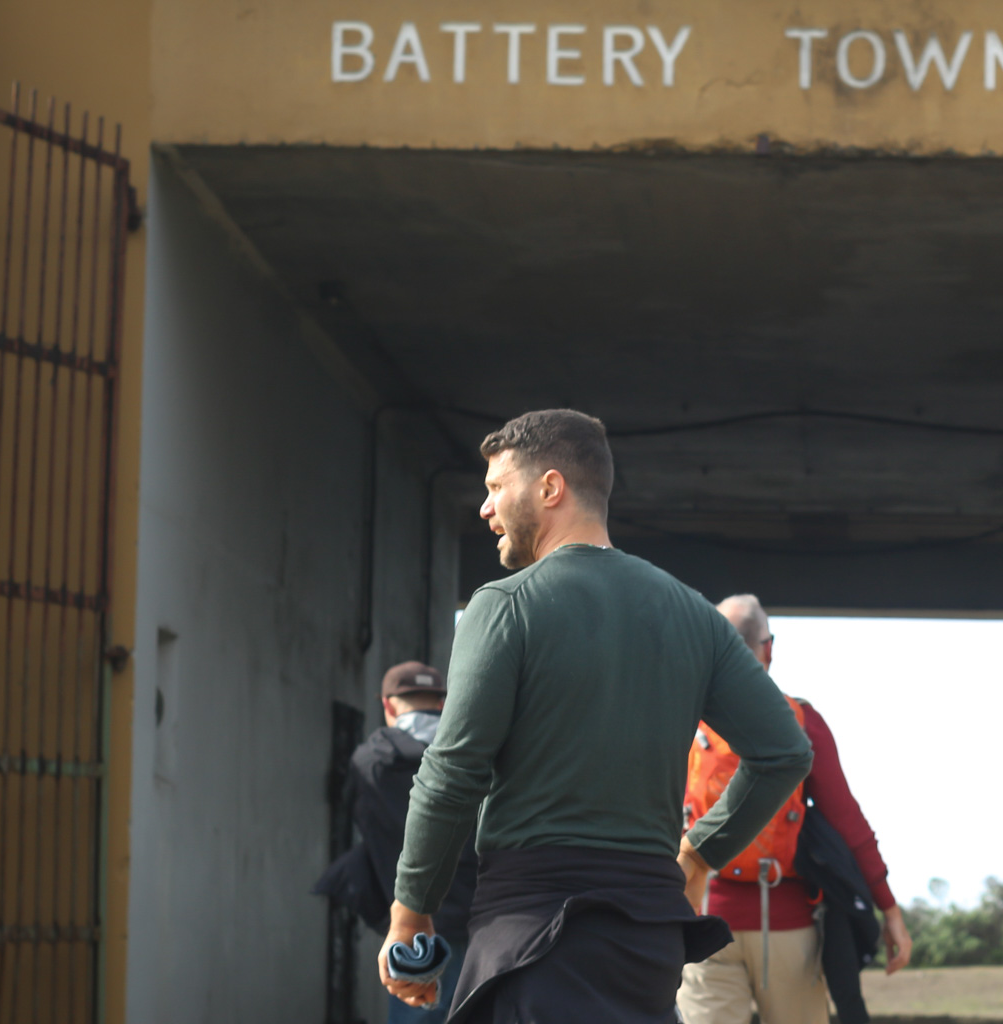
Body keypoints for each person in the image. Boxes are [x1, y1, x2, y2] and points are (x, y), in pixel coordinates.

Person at [379, 409, 814, 1023]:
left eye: (496, 487)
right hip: (650, 939)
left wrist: (410, 911)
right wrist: (698, 855)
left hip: (535, 935)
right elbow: (784, 752)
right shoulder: (694, 616)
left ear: (550, 488)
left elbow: (453, 773)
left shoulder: (505, 606)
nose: (484, 508)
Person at [675, 595, 913, 1024]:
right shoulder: (801, 722)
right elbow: (847, 821)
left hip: (702, 920)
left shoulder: (683, 721)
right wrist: (888, 908)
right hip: (788, 928)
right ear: (769, 648)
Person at [321, 661, 480, 1024]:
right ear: (443, 705)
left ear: (388, 706)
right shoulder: (474, 754)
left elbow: (361, 823)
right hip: (484, 918)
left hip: (413, 921)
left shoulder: (370, 761)